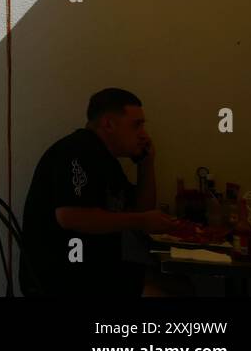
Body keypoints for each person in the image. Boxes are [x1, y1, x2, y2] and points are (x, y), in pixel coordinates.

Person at [21, 88, 178, 296]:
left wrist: (147, 164)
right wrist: (140, 220)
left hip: (94, 270)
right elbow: (70, 217)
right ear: (108, 124)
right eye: (137, 125)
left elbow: (141, 209)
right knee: (166, 292)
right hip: (64, 277)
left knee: (179, 284)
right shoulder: (77, 150)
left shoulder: (107, 161)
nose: (143, 134)